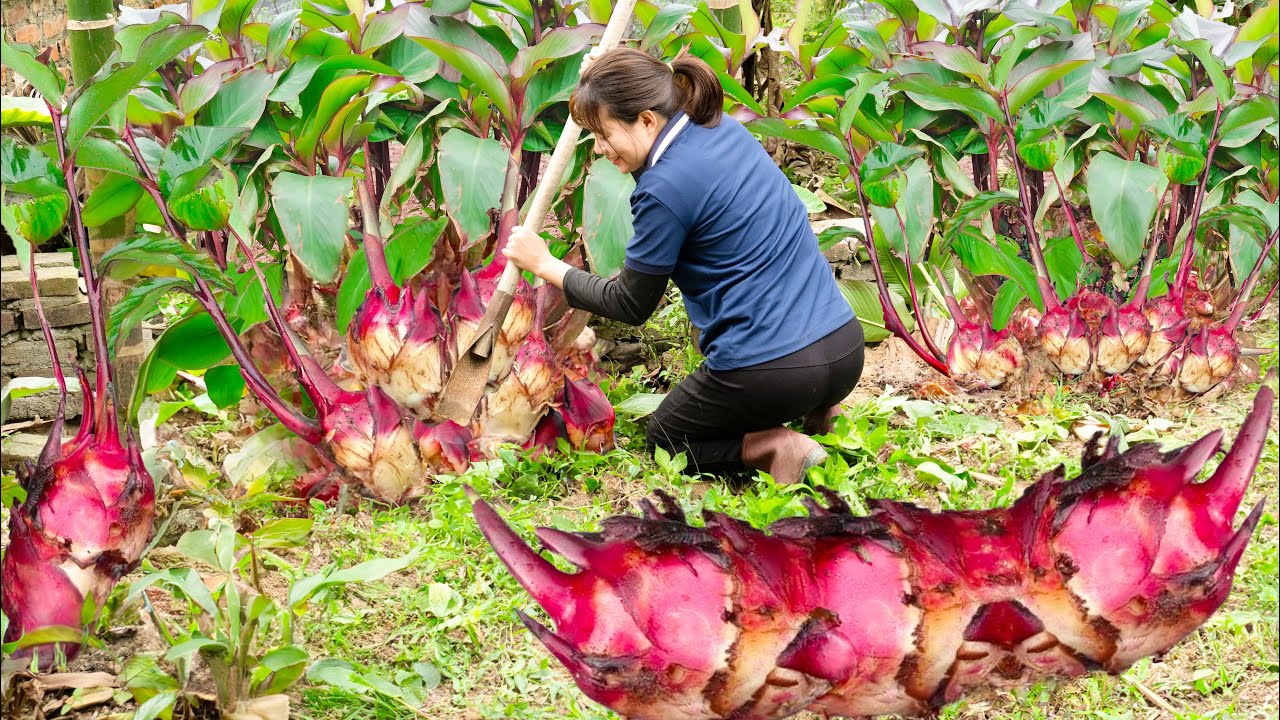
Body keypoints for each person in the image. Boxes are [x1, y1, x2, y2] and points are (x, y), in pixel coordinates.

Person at [503, 47, 863, 485]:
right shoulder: (720, 129)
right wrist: (606, 79)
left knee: (667, 440)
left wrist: (545, 264)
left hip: (774, 373)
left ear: (648, 120)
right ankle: (822, 411)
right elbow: (668, 178)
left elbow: (631, 303)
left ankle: (776, 446)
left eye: (604, 134)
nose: (599, 149)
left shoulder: (663, 189)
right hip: (844, 350)